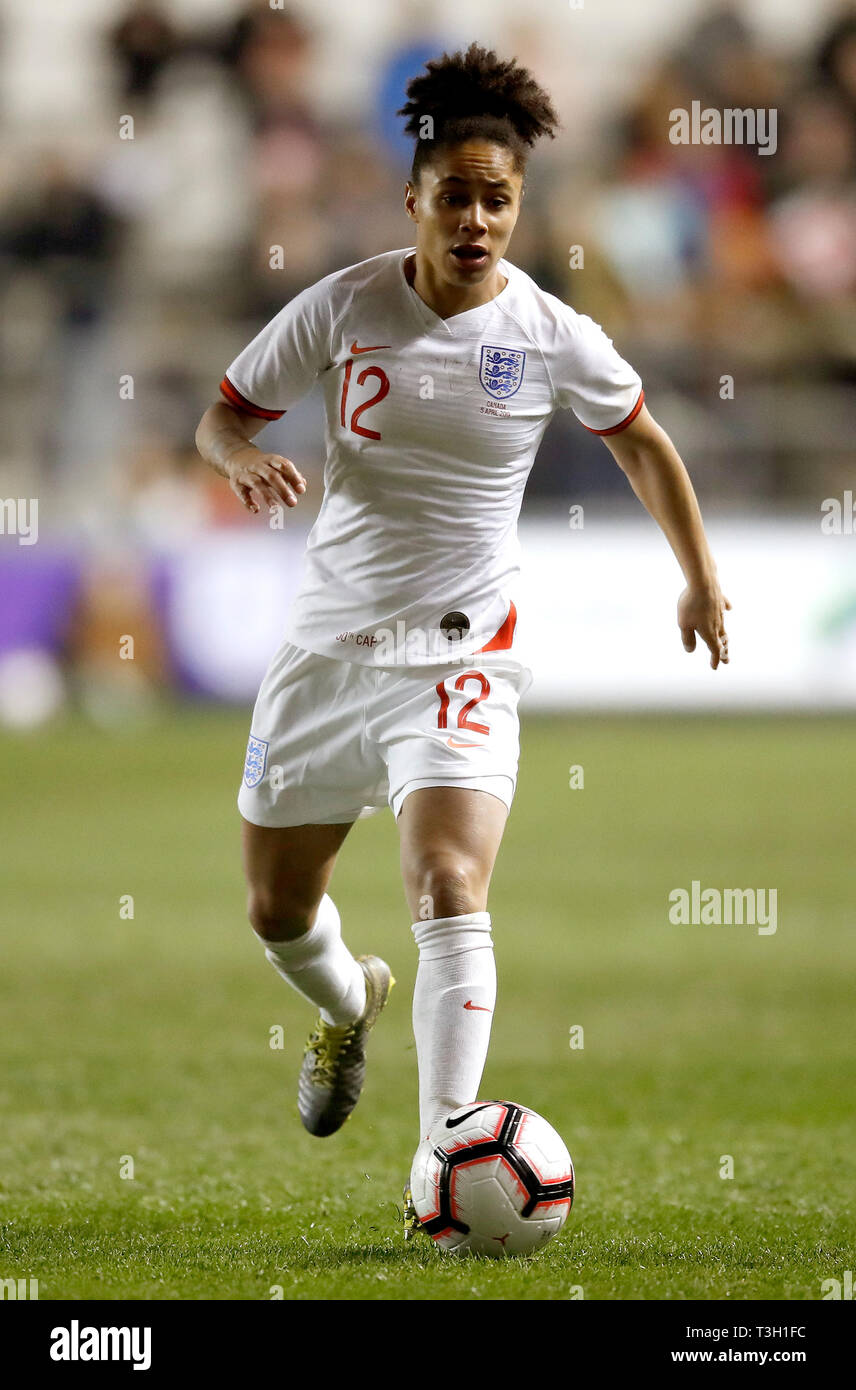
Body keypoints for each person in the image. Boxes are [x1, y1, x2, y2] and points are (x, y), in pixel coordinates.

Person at [195, 43, 730, 1237]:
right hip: (328, 653)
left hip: (461, 657)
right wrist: (241, 459)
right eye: (456, 196)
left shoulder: (548, 333)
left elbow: (641, 439)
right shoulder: (342, 305)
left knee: (449, 882)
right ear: (415, 199)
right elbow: (221, 414)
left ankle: (442, 1160)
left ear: (518, 205)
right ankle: (347, 1006)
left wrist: (700, 579)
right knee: (277, 912)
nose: (477, 218)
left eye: (498, 199)